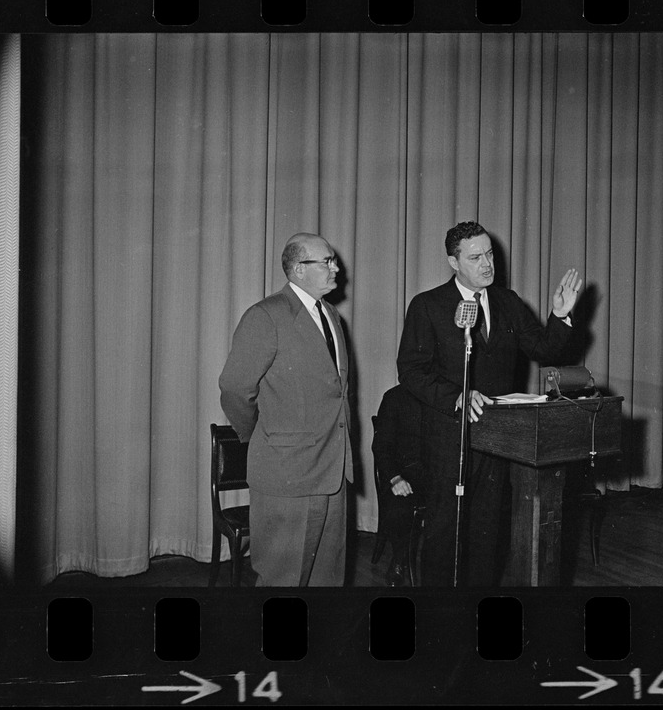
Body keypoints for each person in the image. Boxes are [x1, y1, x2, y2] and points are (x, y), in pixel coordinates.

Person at [397, 221, 582, 586]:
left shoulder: (508, 302)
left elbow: (544, 349)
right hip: (449, 442)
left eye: (490, 254)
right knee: (444, 535)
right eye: (475, 257)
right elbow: (411, 371)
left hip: (498, 439)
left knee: (487, 535)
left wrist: (561, 315)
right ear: (454, 262)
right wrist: (457, 396)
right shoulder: (428, 305)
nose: (487, 264)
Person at [219, 233, 352, 587]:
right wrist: (262, 436)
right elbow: (234, 389)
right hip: (287, 474)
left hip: (333, 471)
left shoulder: (332, 316)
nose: (335, 267)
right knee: (283, 580)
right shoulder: (266, 316)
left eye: (333, 260)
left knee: (328, 580)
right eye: (326, 261)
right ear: (297, 270)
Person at [371, 384, 426, 587]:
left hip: (437, 474)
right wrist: (395, 478)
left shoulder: (444, 395)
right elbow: (381, 445)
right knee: (400, 506)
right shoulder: (394, 397)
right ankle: (398, 561)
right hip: (403, 475)